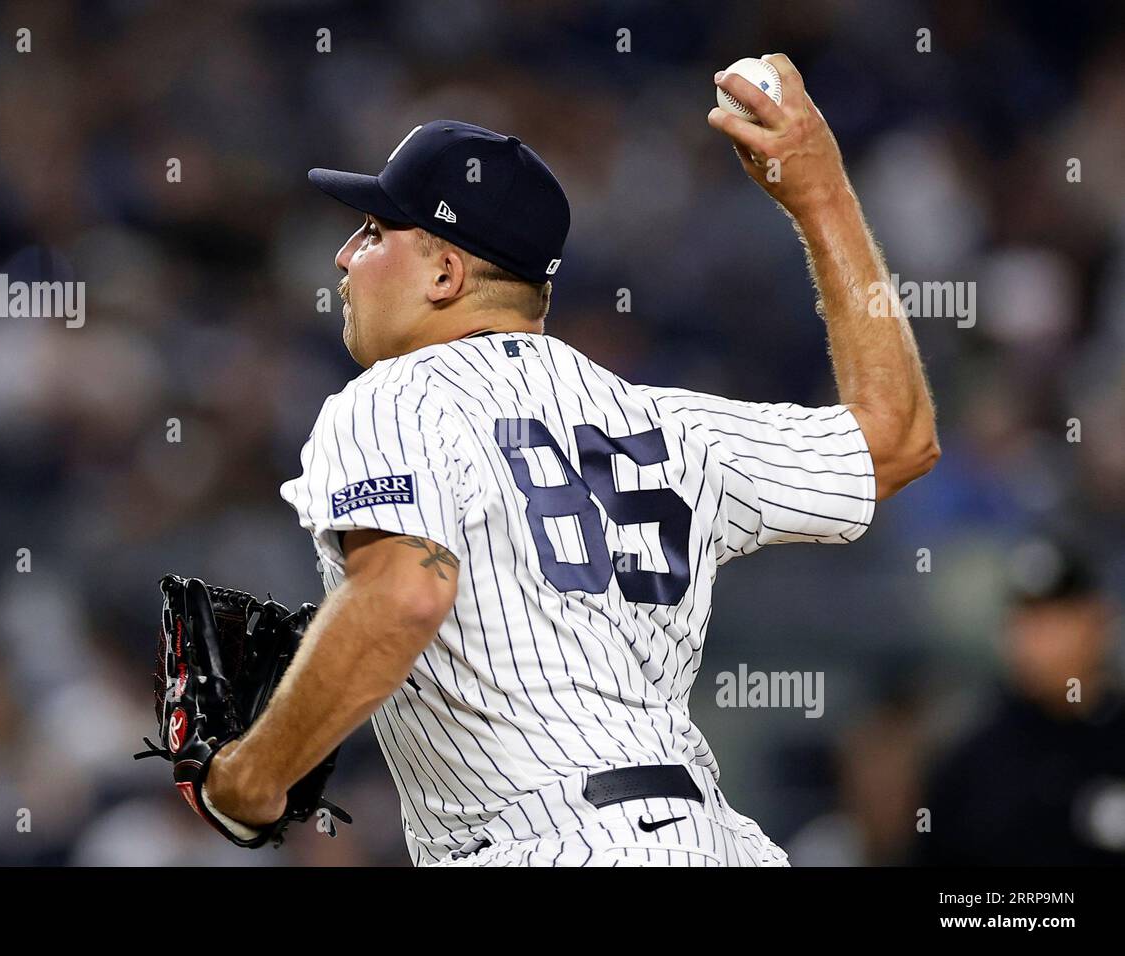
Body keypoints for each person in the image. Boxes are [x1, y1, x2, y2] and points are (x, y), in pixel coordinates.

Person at [205, 55, 939, 866]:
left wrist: (251, 777)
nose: (345, 258)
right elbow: (896, 440)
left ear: (446, 273)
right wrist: (821, 192)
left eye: (375, 233)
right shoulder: (665, 422)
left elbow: (407, 592)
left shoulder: (396, 396)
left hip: (544, 843)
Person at [916, 538, 1125, 866]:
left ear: (1097, 621)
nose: (1032, 642)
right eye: (1022, 622)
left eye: (1053, 620)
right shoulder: (973, 760)